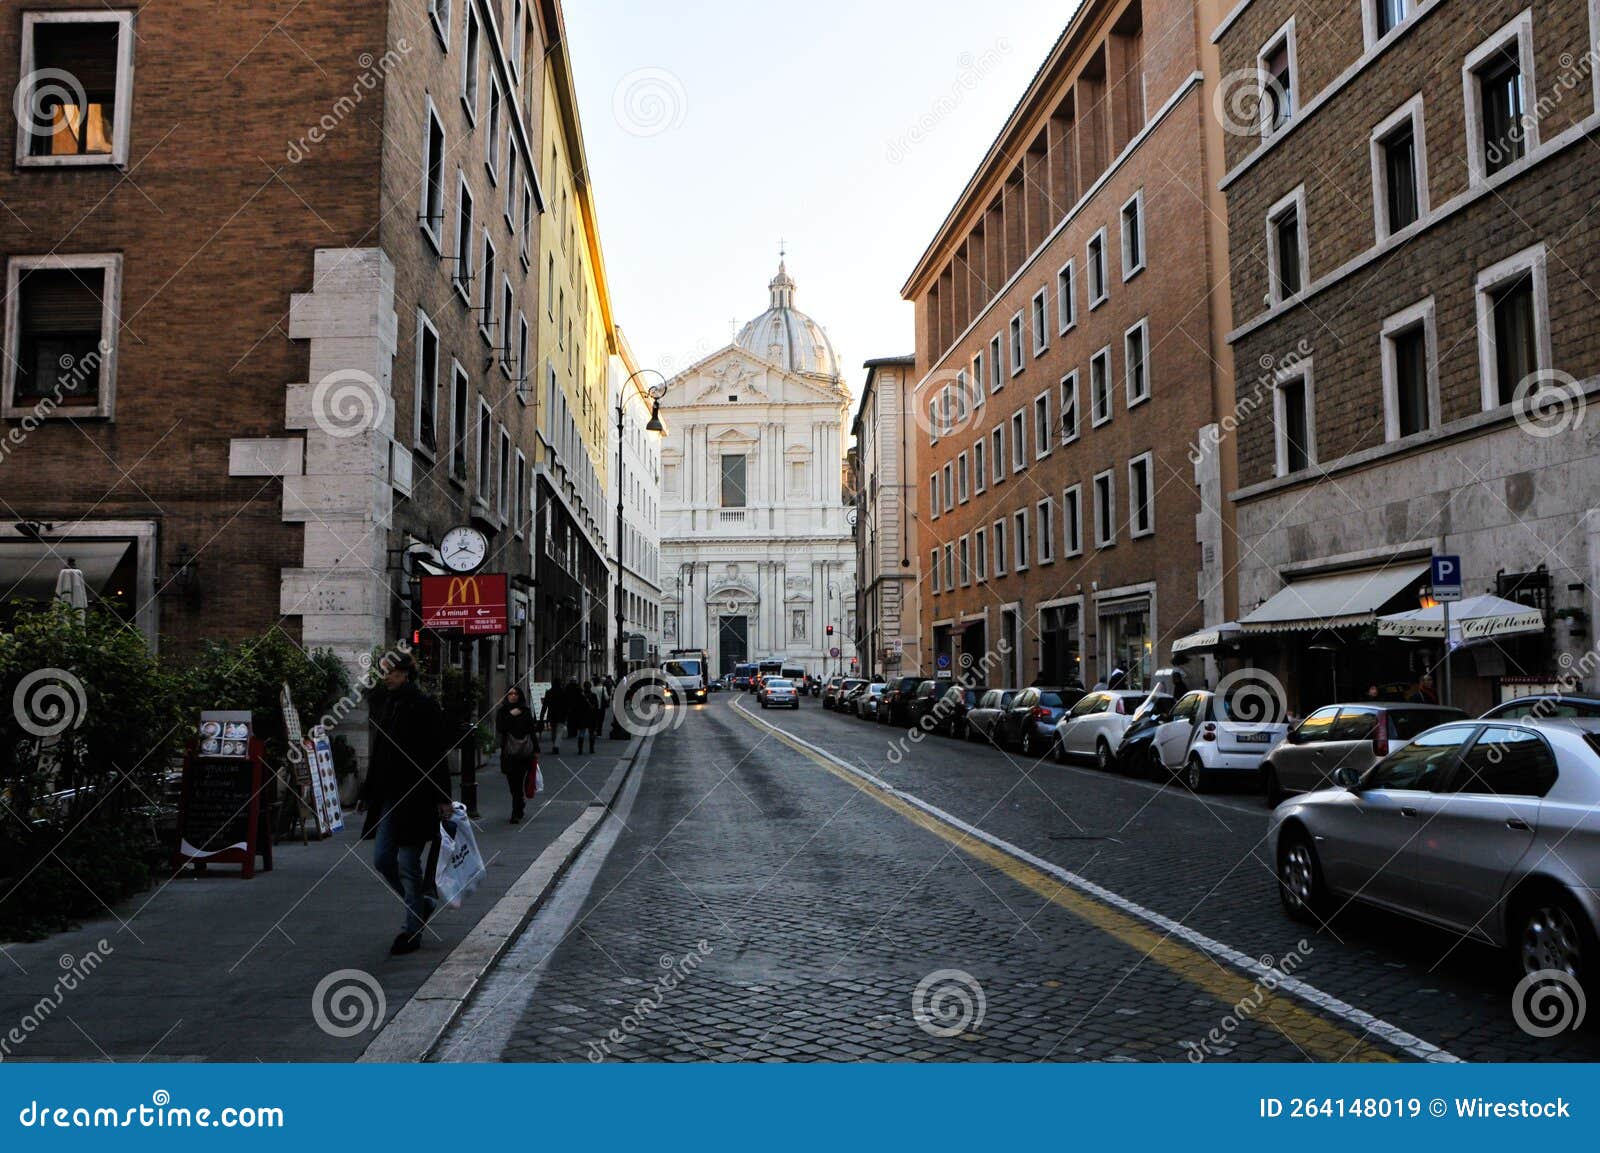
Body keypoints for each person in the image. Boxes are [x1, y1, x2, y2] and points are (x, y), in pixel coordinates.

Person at [366, 652, 451, 956]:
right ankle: (419, 904)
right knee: (382, 860)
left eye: (390, 672)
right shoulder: (388, 704)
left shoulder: (425, 706)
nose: (385, 677)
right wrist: (370, 793)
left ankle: (411, 930)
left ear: (405, 674)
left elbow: (437, 754)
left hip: (418, 797)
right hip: (390, 795)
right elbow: (381, 753)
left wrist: (443, 797)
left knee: (407, 863)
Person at [496, 688, 538, 823]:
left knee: (519, 782)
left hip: (524, 753)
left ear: (520, 696)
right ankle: (519, 803)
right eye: (510, 694)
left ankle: (515, 812)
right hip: (509, 753)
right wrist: (511, 715)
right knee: (512, 783)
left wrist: (536, 749)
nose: (513, 696)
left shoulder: (525, 711)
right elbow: (501, 728)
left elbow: (531, 730)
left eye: (516, 694)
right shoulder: (503, 711)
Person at [539, 680, 566, 754]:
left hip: (552, 714)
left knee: (553, 731)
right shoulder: (563, 692)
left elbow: (545, 705)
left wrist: (542, 715)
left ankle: (555, 744)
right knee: (559, 732)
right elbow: (566, 705)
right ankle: (556, 746)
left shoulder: (549, 692)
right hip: (561, 715)